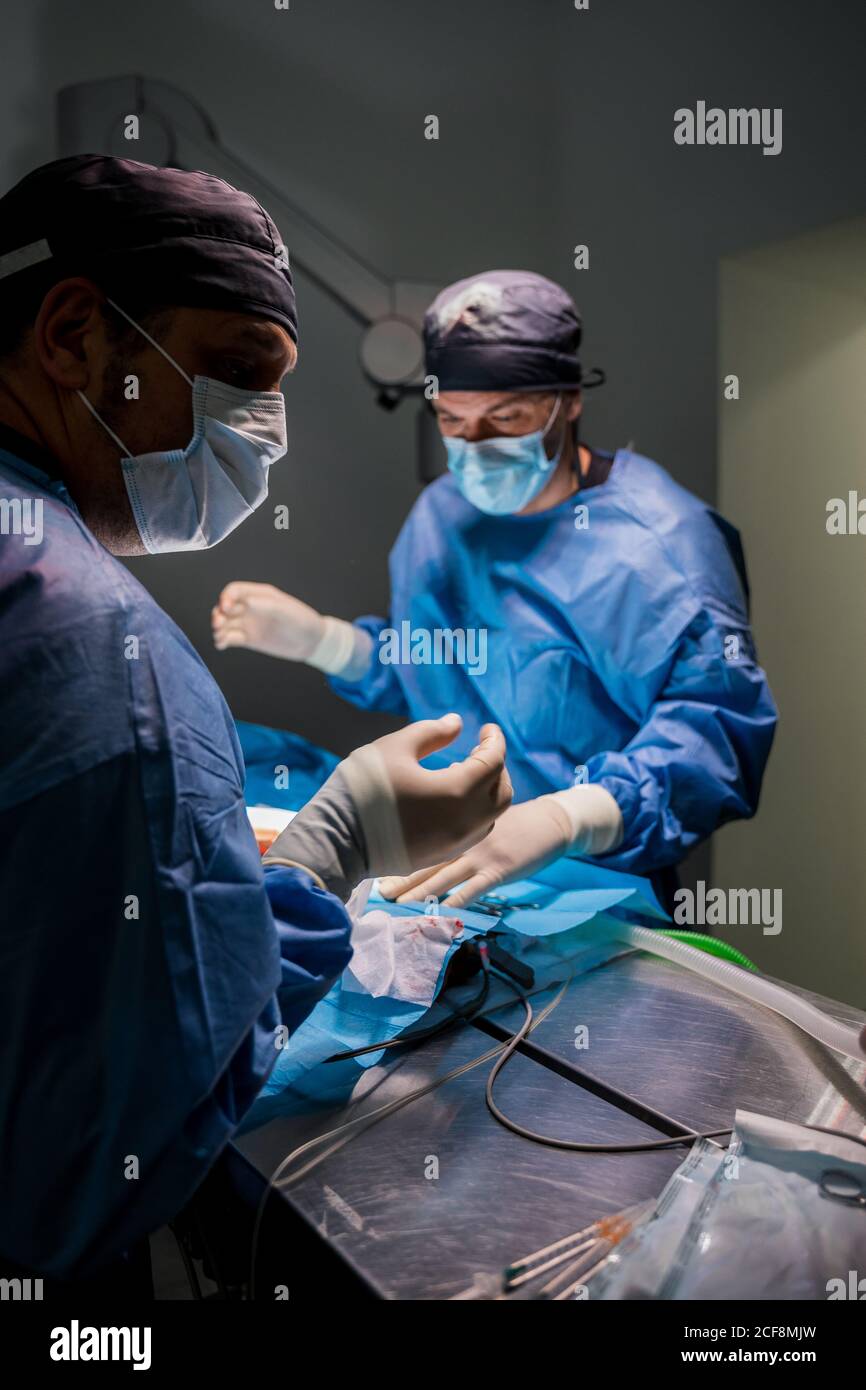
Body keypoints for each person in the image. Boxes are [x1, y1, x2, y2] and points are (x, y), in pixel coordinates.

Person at [0, 157, 511, 1287]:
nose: (265, 439)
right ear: (76, 333)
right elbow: (100, 1154)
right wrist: (335, 841)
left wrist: (591, 804)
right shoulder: (87, 644)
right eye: (235, 372)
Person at [212, 269, 777, 910]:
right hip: (442, 856)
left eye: (506, 418)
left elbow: (714, 736)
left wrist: (568, 819)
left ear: (569, 400)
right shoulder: (443, 514)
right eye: (453, 420)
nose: (476, 448)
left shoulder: (662, 548)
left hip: (591, 881)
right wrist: (327, 642)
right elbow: (439, 665)